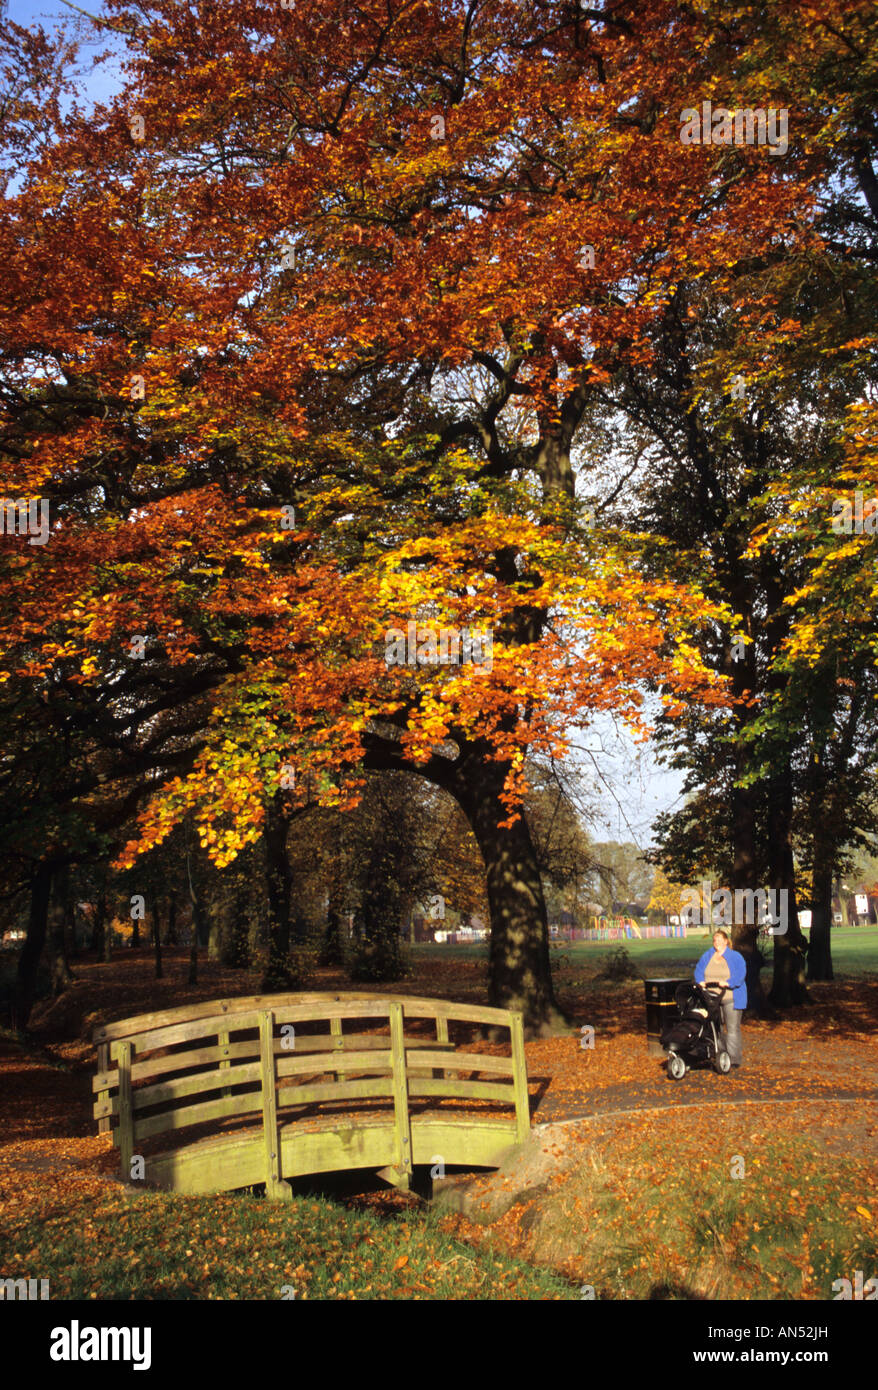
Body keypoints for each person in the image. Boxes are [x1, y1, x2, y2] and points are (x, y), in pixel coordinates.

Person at [694, 929, 747, 1067]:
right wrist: (700, 981)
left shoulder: (735, 956)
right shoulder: (708, 955)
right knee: (715, 1028)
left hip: (730, 997)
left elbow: (741, 973)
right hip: (712, 999)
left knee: (732, 1028)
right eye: (714, 940)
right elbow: (699, 969)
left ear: (725, 941)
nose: (716, 942)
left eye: (719, 939)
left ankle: (734, 1059)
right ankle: (722, 1055)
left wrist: (729, 982)